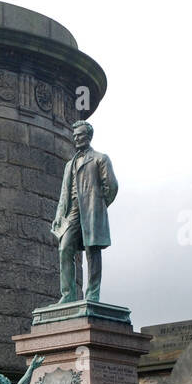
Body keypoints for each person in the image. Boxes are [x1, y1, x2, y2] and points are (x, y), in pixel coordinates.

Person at [50, 120, 117, 303]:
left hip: (92, 211)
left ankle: (92, 293)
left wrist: (99, 206)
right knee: (64, 248)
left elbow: (111, 186)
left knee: (92, 251)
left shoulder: (100, 159)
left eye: (80, 135)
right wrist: (58, 215)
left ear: (88, 136)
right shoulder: (69, 164)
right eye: (75, 136)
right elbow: (64, 192)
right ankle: (68, 294)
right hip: (72, 212)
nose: (76, 138)